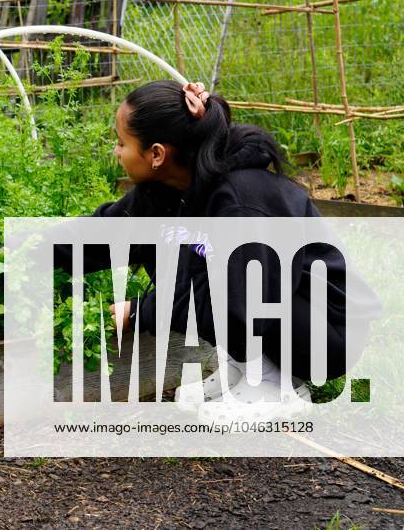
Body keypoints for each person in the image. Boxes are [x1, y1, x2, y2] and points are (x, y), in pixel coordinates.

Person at [50, 80, 378, 424]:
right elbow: (105, 234)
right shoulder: (168, 188)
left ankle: (273, 384)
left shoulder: (241, 203)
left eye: (122, 143)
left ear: (157, 154)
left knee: (225, 287)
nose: (116, 152)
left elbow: (245, 311)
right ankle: (242, 367)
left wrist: (141, 311)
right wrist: (16, 254)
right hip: (273, 311)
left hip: (327, 333)